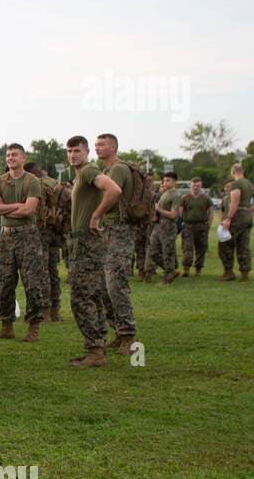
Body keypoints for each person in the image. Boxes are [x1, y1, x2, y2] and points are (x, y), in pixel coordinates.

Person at [65, 136, 122, 368]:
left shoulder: (88, 171)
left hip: (87, 243)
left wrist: (97, 215)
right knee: (93, 295)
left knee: (81, 297)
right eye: (69, 151)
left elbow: (114, 189)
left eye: (77, 150)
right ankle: (97, 346)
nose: (72, 155)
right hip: (83, 242)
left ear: (87, 152)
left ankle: (96, 351)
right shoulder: (81, 175)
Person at [0, 143, 48, 343]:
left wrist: (8, 208)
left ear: (23, 158)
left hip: (28, 236)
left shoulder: (32, 181)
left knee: (32, 283)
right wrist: (17, 206)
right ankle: (7, 325)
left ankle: (34, 327)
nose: (10, 158)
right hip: (6, 237)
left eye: (14, 155)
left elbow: (29, 211)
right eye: (7, 155)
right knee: (4, 283)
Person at [95, 133, 138, 350]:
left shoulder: (118, 169)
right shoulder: (106, 171)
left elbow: (113, 194)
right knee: (104, 287)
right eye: (96, 145)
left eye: (102, 144)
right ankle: (119, 332)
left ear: (113, 147)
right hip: (108, 231)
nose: (97, 148)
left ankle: (129, 335)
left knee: (116, 285)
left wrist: (96, 213)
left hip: (119, 231)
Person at [26, 163, 64, 321]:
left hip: (41, 232)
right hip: (56, 231)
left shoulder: (37, 184)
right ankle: (55, 310)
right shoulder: (55, 183)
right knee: (53, 271)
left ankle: (45, 311)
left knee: (41, 272)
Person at [218, 163, 254, 281]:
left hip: (237, 216)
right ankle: (245, 274)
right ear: (243, 171)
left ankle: (228, 272)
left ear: (232, 172)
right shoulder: (249, 184)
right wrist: (250, 209)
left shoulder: (236, 184)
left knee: (225, 242)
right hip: (248, 217)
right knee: (243, 245)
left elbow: (234, 202)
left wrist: (228, 218)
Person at [143, 171, 181, 285]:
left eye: (168, 180)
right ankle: (171, 270)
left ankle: (167, 278)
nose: (165, 182)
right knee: (153, 251)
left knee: (167, 252)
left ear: (174, 182)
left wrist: (159, 210)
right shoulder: (164, 194)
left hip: (168, 226)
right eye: (164, 180)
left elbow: (174, 214)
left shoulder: (176, 195)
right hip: (158, 226)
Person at [179, 176, 214, 275]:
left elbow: (211, 212)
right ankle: (186, 269)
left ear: (201, 186)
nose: (195, 187)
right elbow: (180, 212)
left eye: (197, 186)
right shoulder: (185, 198)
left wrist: (209, 225)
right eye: (194, 185)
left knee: (202, 248)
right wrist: (181, 222)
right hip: (188, 226)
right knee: (187, 247)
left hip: (202, 226)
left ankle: (198, 269)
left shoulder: (206, 198)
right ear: (191, 186)